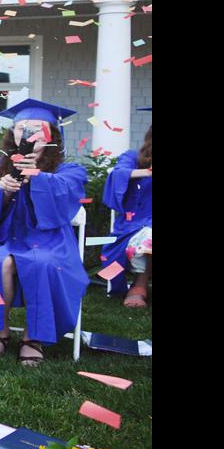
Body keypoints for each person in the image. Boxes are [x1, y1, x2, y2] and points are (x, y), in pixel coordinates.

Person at [0, 99, 89, 368]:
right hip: (1, 237)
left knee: (43, 263)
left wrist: (37, 177)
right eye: (21, 128)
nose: (28, 133)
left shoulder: (69, 170)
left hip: (47, 240)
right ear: (13, 134)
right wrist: (2, 191)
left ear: (52, 135)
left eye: (37, 128)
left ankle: (33, 338)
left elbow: (65, 196)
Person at [98, 118, 152, 307]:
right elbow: (118, 173)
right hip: (136, 222)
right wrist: (148, 172)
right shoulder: (133, 158)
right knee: (149, 235)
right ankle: (140, 285)